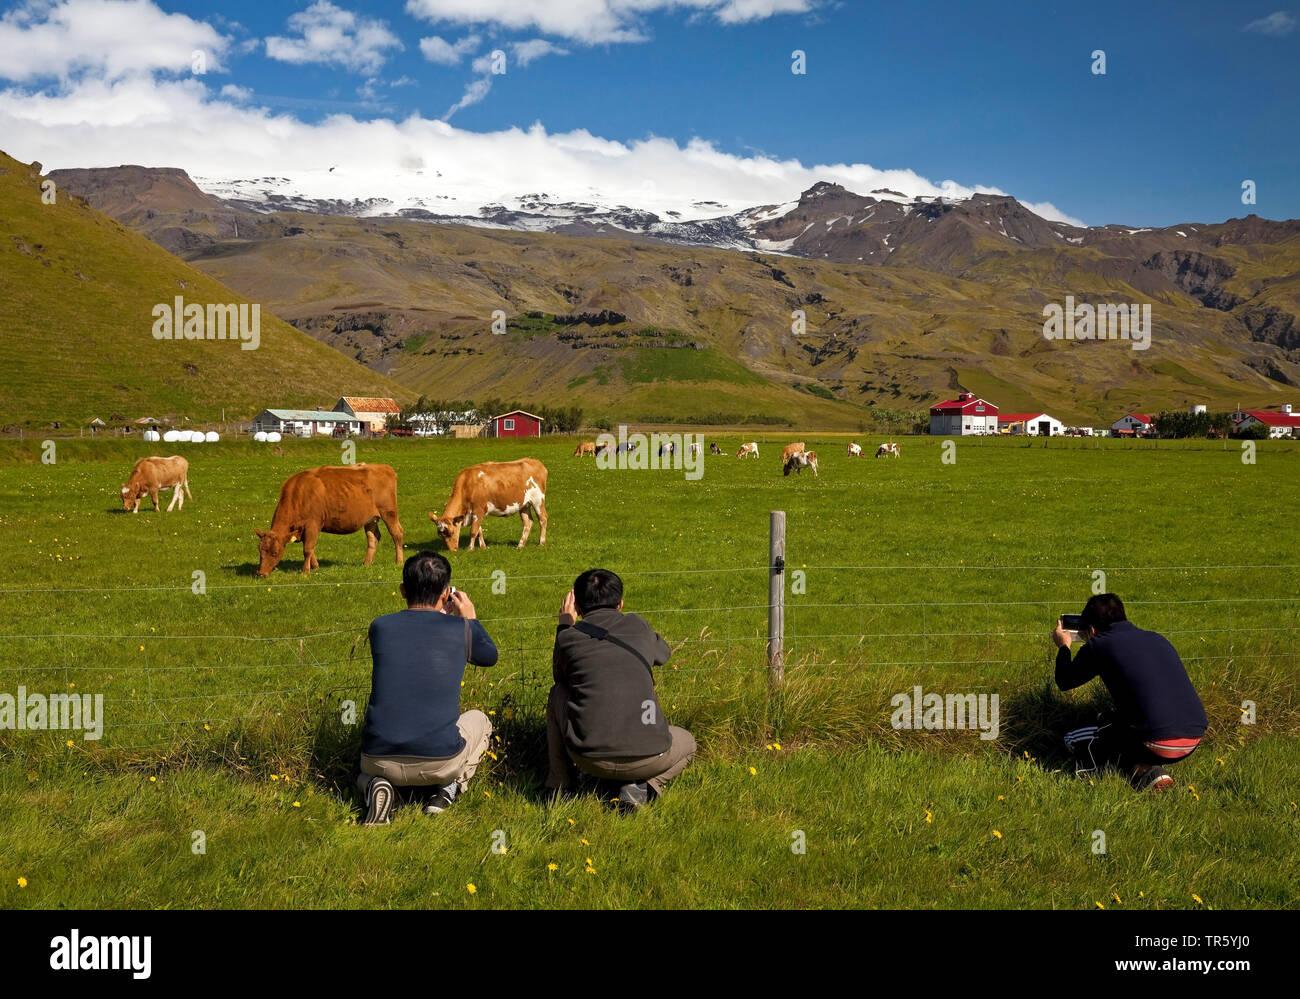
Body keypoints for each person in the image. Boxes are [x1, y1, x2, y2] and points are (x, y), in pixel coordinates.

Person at [357, 551, 498, 825]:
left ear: (402, 590)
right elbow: (489, 657)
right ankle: (447, 789)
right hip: (440, 760)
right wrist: (469, 619)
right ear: (446, 594)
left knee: (363, 773)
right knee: (479, 719)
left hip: (379, 758)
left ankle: (375, 786)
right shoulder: (462, 629)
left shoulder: (381, 627)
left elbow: (415, 644)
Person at [545, 568, 696, 810]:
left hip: (588, 758)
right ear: (620, 604)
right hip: (650, 757)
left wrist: (564, 625)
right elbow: (664, 655)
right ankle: (642, 786)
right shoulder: (637, 625)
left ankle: (560, 786)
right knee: (687, 743)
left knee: (557, 693)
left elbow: (559, 676)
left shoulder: (569, 637)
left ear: (578, 608)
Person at [1052, 593, 1207, 792]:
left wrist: (1064, 646)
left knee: (1073, 738)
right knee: (1111, 720)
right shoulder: (1156, 638)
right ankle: (1149, 769)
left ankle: (1141, 771)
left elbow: (1065, 680)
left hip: (1156, 740)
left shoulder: (1099, 643)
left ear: (1091, 629)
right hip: (1194, 737)